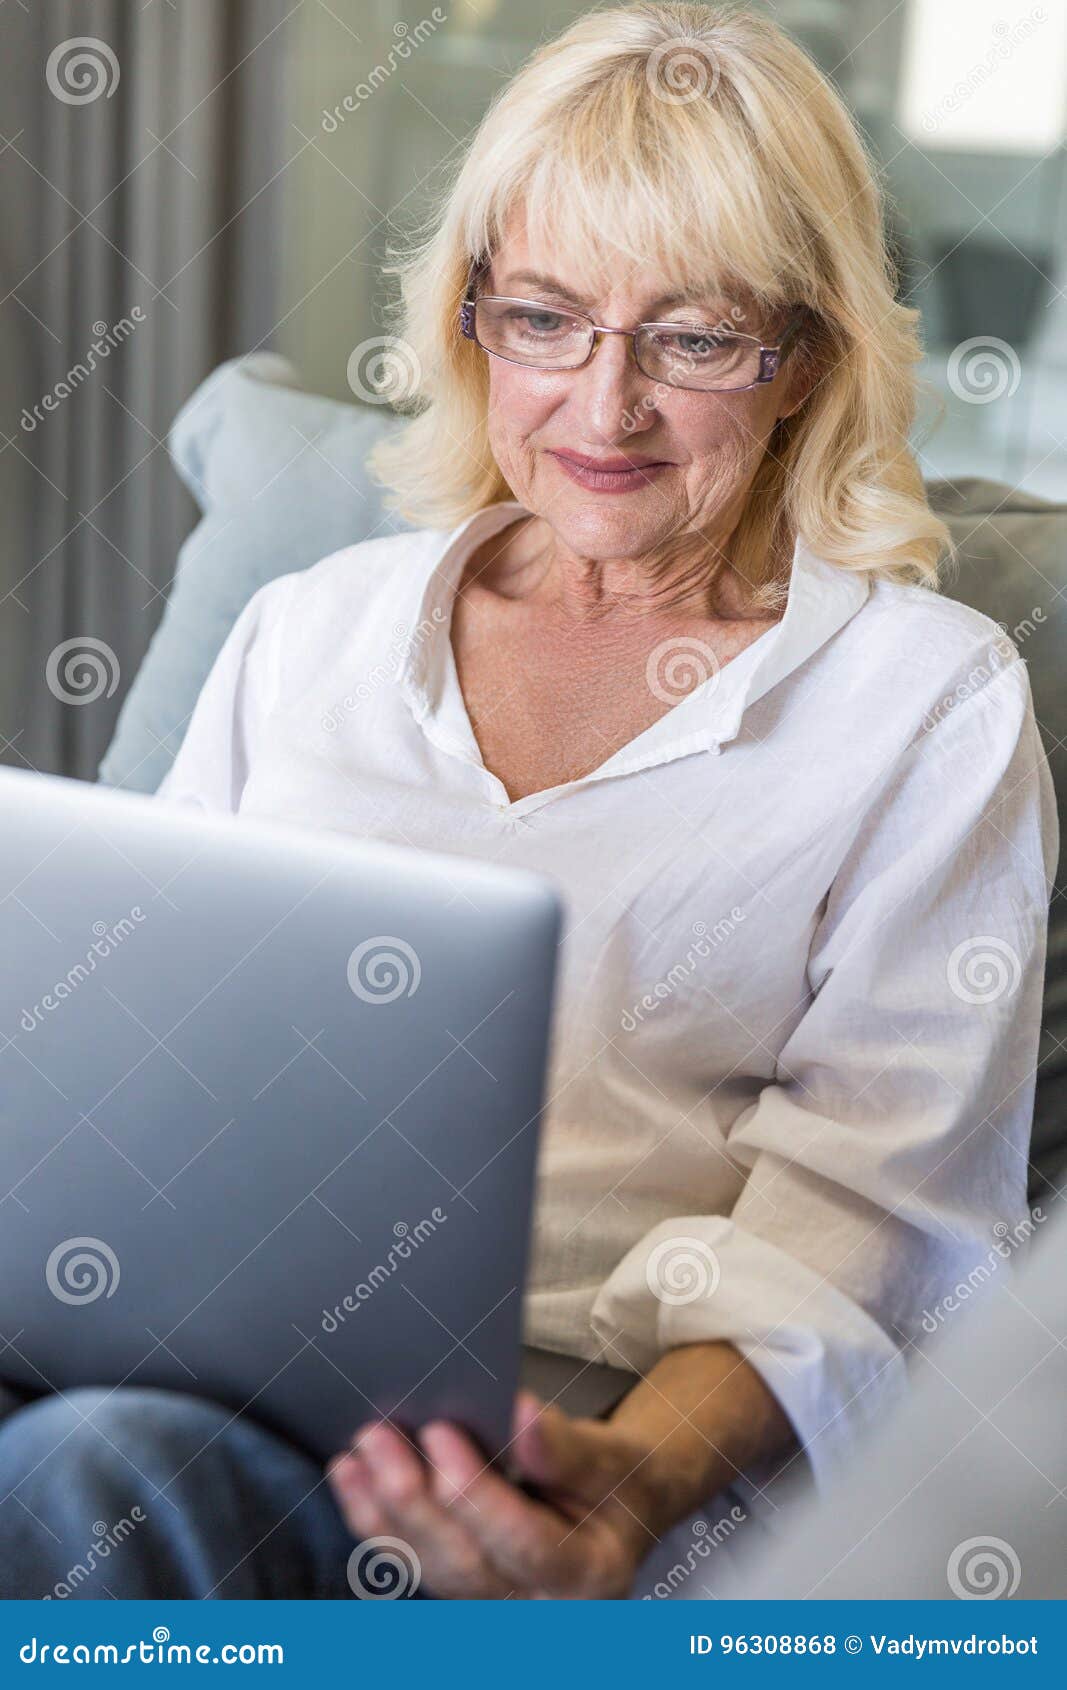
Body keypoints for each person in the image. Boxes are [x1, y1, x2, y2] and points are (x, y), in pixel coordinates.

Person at [0, 0, 1056, 1599]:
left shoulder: (927, 700)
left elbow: (875, 1220)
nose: (603, 406)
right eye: (547, 318)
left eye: (693, 338)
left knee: (89, 1471)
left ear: (808, 361)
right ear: (470, 317)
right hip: (180, 1337)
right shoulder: (318, 625)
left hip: (549, 1426)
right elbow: (126, 1058)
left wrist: (632, 1478)